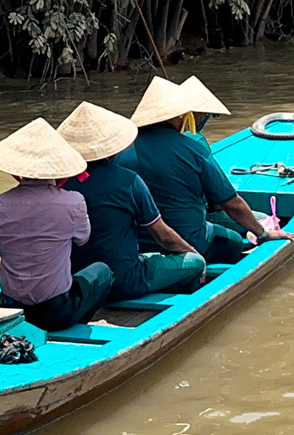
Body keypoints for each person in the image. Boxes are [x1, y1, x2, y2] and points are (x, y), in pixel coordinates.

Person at [121, 77, 292, 265]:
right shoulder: (193, 149)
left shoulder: (120, 151)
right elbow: (230, 204)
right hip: (190, 239)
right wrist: (264, 234)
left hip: (135, 241)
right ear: (179, 116)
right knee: (234, 241)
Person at [57, 102, 205, 300]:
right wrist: (196, 255)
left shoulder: (58, 186)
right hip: (125, 281)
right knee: (193, 262)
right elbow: (163, 236)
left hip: (78, 279)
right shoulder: (128, 181)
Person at [0, 119, 114, 330]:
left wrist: (13, 268)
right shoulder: (73, 201)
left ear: (16, 171)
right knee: (103, 271)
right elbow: (82, 239)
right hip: (56, 312)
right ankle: (79, 323)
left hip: (11, 308)